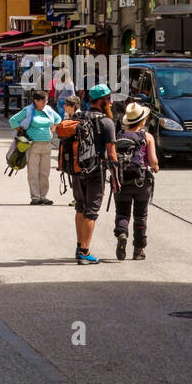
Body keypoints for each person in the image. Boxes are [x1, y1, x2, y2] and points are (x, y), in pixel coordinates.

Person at [56, 85, 118, 265]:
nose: (111, 102)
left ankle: (79, 246)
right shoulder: (106, 122)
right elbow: (112, 153)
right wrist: (115, 176)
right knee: (91, 211)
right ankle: (85, 251)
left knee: (80, 208)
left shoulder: (78, 117)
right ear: (102, 101)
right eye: (109, 99)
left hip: (77, 170)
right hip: (96, 171)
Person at [113, 101, 159, 261]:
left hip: (122, 181)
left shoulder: (119, 136)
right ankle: (138, 250)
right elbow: (153, 161)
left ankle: (122, 233)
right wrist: (156, 167)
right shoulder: (147, 137)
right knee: (140, 216)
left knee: (122, 212)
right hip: (141, 181)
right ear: (142, 120)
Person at [9, 90, 60, 204]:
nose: (45, 103)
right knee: (33, 172)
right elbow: (13, 120)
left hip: (47, 145)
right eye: (43, 101)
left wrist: (52, 130)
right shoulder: (28, 110)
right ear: (36, 101)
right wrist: (22, 132)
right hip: (33, 145)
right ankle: (35, 197)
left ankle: (43, 196)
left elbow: (58, 119)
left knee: (45, 172)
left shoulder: (48, 110)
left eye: (46, 101)